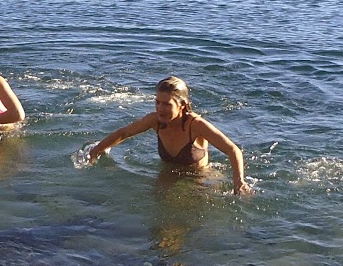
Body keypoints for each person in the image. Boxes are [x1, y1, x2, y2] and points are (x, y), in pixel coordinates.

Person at [87, 76, 252, 195]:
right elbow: (123, 133)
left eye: (166, 104)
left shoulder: (195, 125)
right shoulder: (155, 120)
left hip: (200, 179)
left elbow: (232, 149)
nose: (160, 108)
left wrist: (239, 181)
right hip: (168, 174)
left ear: (182, 105)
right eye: (157, 102)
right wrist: (96, 150)